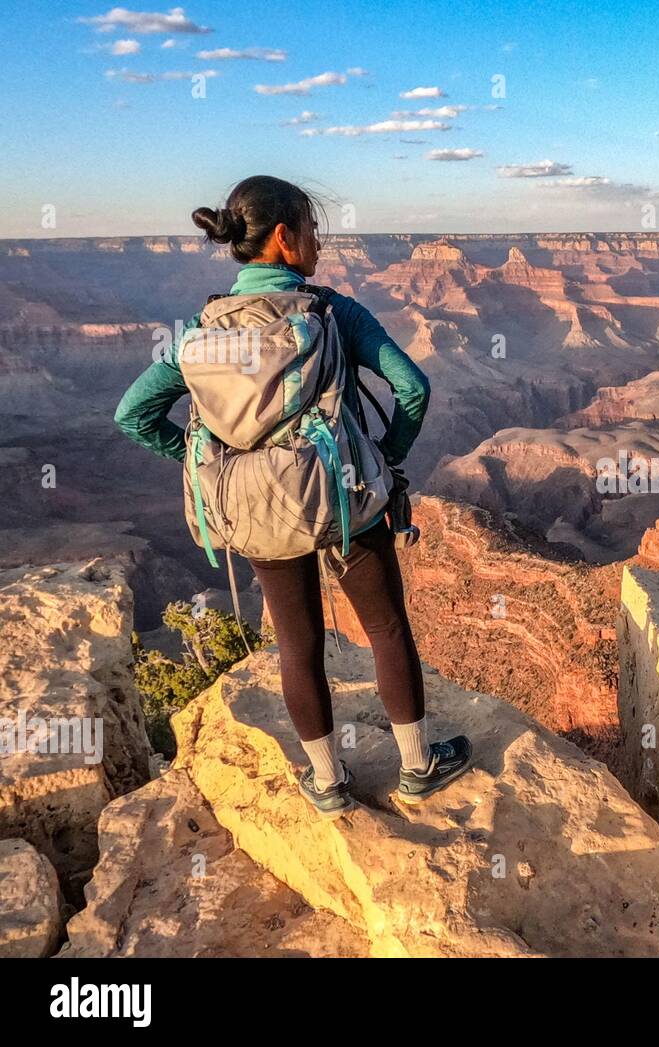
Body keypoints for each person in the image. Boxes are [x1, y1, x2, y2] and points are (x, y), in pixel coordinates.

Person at [115, 175, 471, 818]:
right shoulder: (333, 312)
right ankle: (418, 766)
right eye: (312, 231)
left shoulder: (201, 329)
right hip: (343, 502)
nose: (318, 245)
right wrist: (381, 464)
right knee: (387, 627)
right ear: (284, 238)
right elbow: (412, 388)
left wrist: (210, 470)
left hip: (252, 510)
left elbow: (133, 415)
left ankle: (329, 782)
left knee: (297, 644)